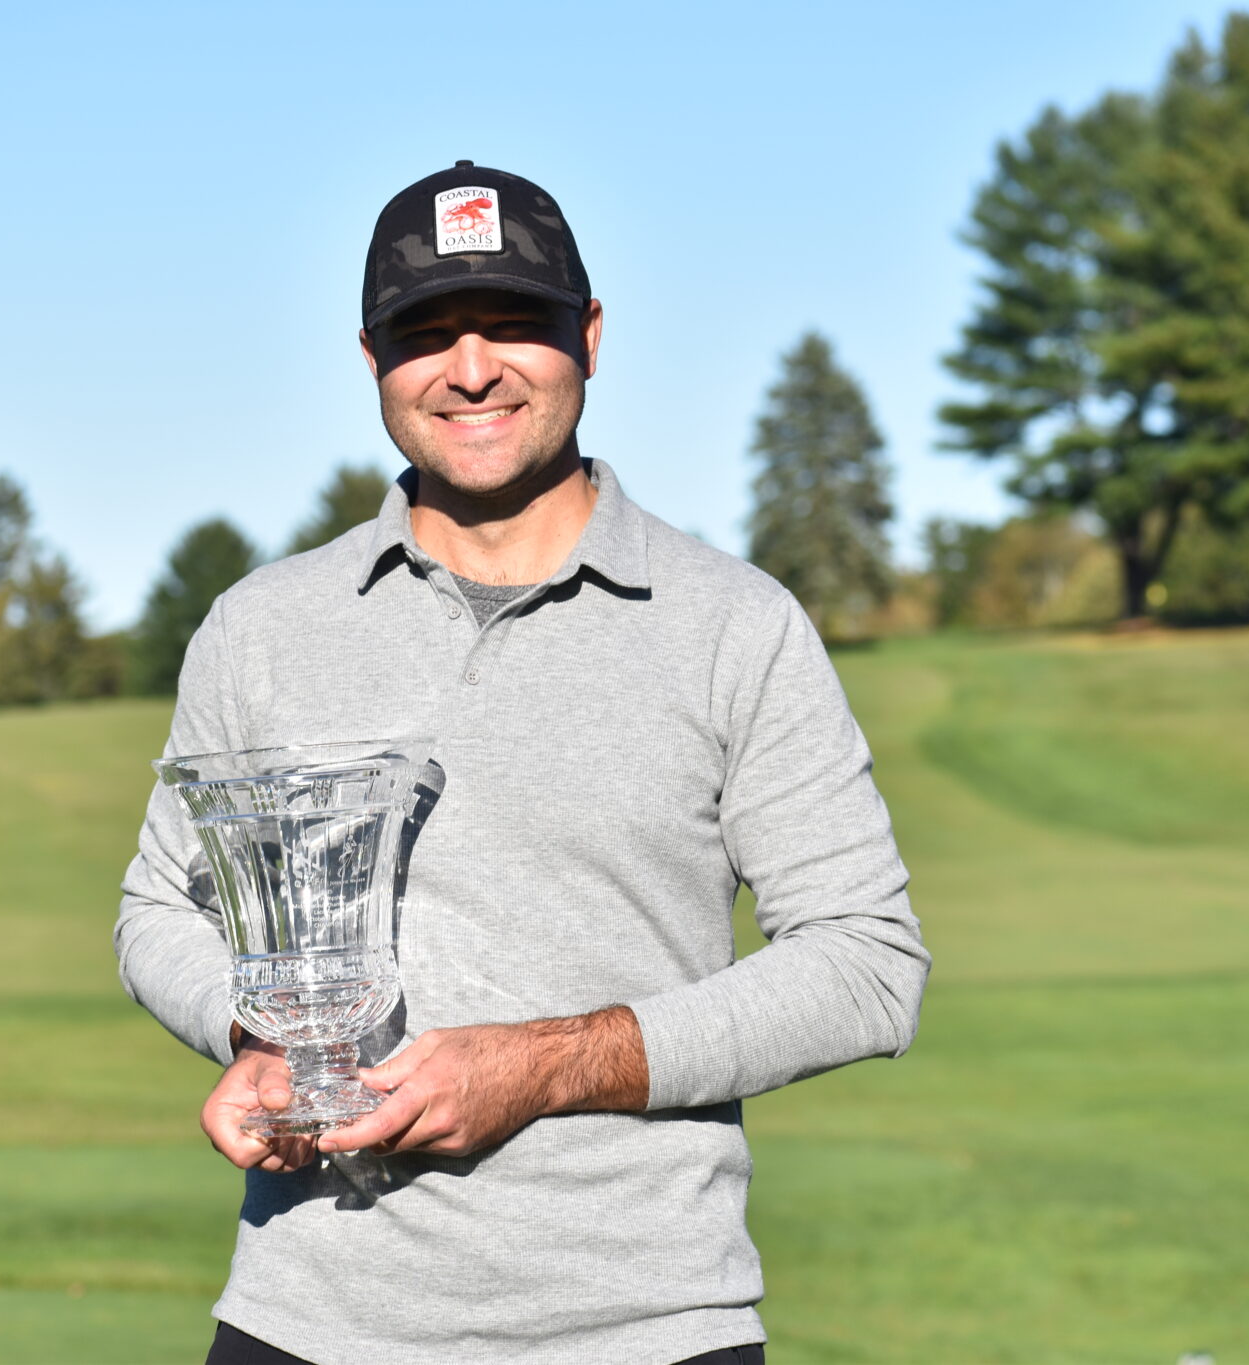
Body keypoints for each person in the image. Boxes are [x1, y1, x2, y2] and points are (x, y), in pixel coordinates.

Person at [116, 161, 930, 1365]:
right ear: (370, 360)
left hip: (647, 1331)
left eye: (514, 323)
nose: (472, 366)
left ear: (589, 338)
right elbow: (157, 908)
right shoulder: (262, 625)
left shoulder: (732, 623)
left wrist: (541, 1064)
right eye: (425, 333)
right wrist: (258, 1035)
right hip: (307, 1323)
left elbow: (865, 967)